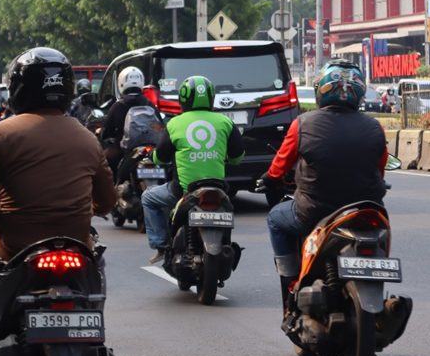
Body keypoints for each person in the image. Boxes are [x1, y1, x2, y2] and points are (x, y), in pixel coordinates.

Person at [0, 47, 116, 347]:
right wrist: (82, 208)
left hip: (15, 246)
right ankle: (92, 329)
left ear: (18, 89)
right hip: (77, 243)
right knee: (98, 262)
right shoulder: (86, 137)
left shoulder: (1, 133)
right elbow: (108, 201)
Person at [259, 59, 388, 313]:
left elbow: (278, 168)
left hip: (315, 212)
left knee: (275, 218)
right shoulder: (375, 127)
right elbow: (380, 171)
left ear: (321, 91)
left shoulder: (302, 124)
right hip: (366, 212)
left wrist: (270, 180)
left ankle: (291, 282)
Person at [141, 75, 244, 264]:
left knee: (148, 197)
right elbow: (237, 158)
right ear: (211, 98)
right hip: (219, 190)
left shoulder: (174, 124)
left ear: (183, 99)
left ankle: (161, 245)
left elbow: (161, 157)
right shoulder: (226, 122)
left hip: (182, 191)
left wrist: (152, 156)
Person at [100, 66, 152, 173]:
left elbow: (106, 131)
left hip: (123, 150)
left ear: (121, 83)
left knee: (102, 162)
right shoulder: (149, 104)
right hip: (149, 149)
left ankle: (114, 182)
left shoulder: (118, 106)